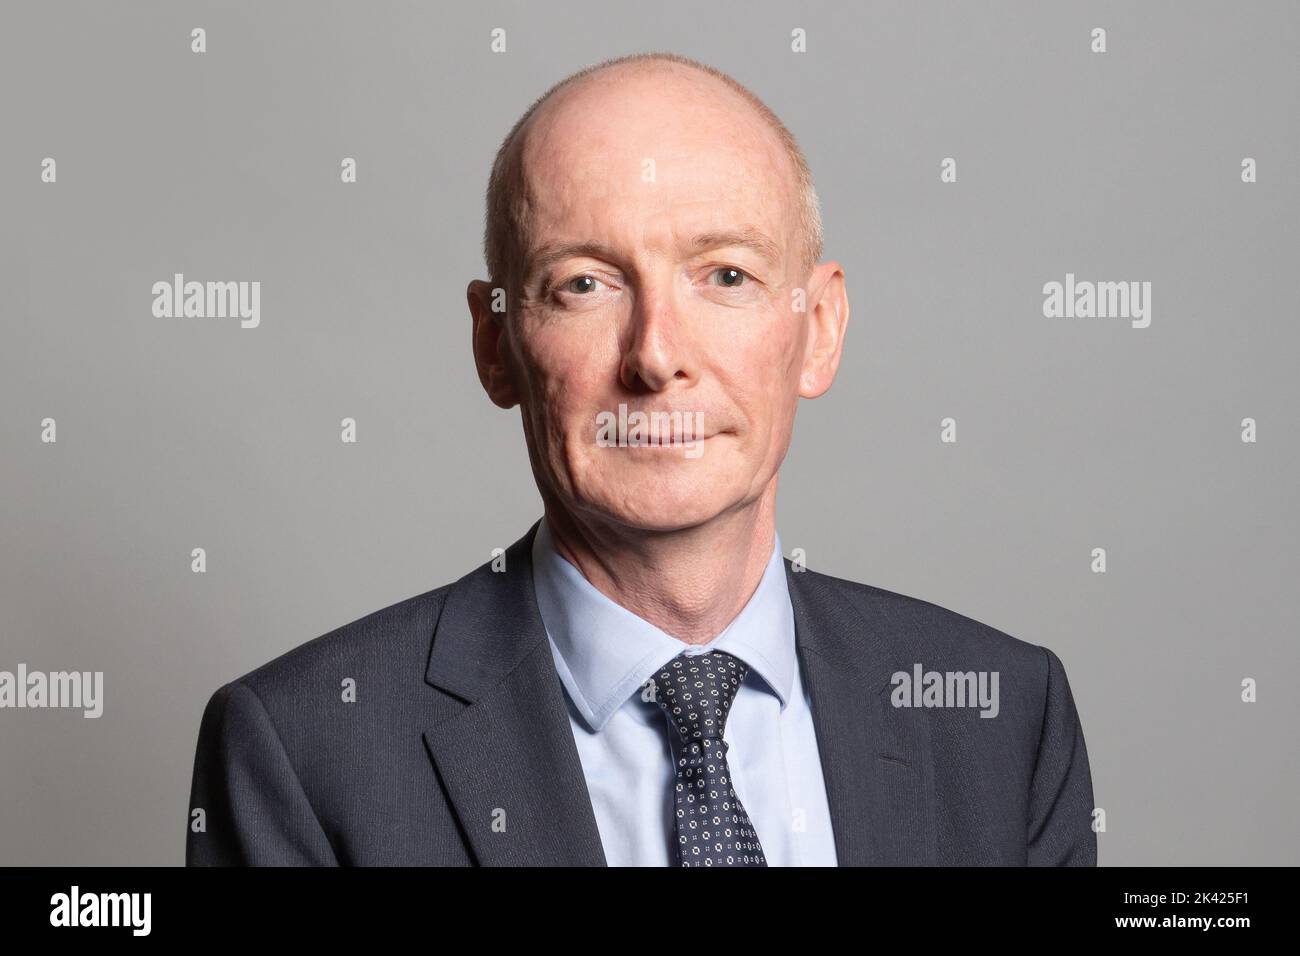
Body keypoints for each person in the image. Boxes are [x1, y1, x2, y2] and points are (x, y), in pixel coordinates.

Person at [186, 51, 1096, 866]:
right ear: (496, 343)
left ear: (817, 330)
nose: (656, 356)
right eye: (584, 283)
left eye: (726, 276)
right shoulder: (303, 751)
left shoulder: (1003, 715)